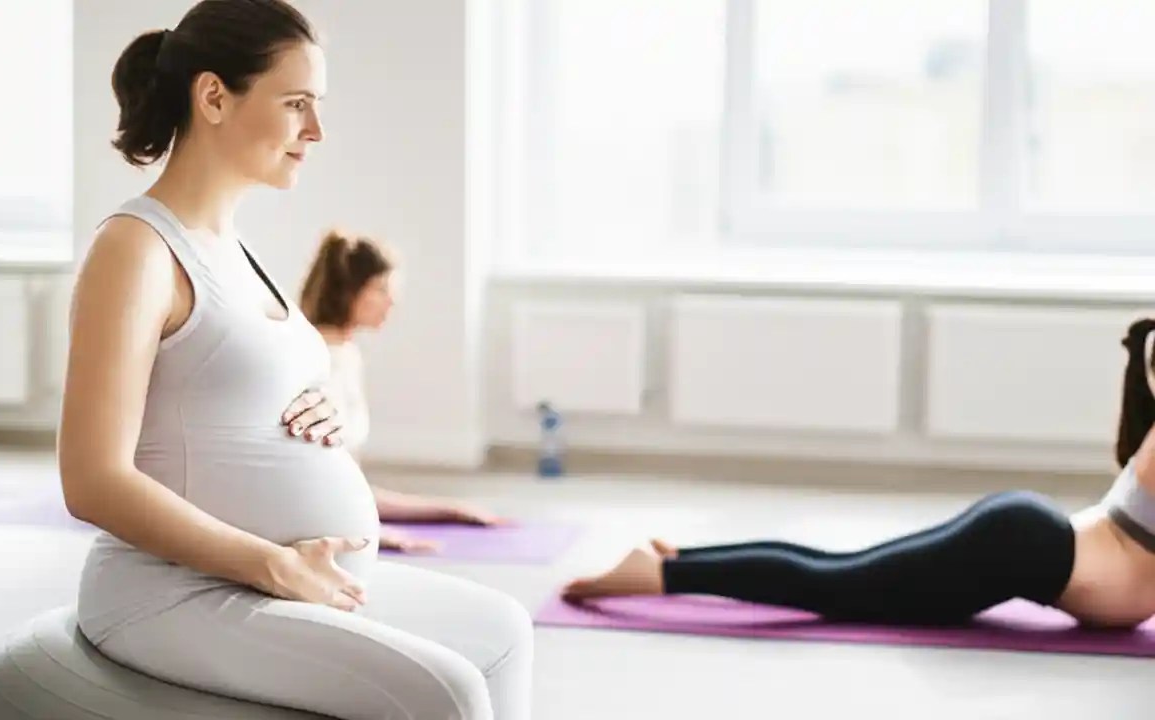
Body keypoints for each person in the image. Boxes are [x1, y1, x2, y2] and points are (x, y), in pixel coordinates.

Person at [57, 2, 532, 718]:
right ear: (214, 96)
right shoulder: (135, 250)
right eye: (296, 104)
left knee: (502, 632)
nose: (316, 130)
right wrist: (273, 564)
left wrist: (323, 404)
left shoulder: (234, 247)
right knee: (452, 692)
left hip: (273, 579)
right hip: (175, 593)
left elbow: (229, 386)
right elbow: (91, 481)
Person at [564, 318, 1155, 631]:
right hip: (1031, 549)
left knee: (841, 571)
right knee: (837, 588)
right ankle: (662, 575)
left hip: (1034, 540)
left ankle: (676, 559)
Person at [297, 230, 502, 553]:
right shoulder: (314, 361)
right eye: (380, 289)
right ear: (347, 291)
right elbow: (306, 487)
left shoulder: (347, 354)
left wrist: (444, 510)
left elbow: (352, 488)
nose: (392, 300)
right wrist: (373, 535)